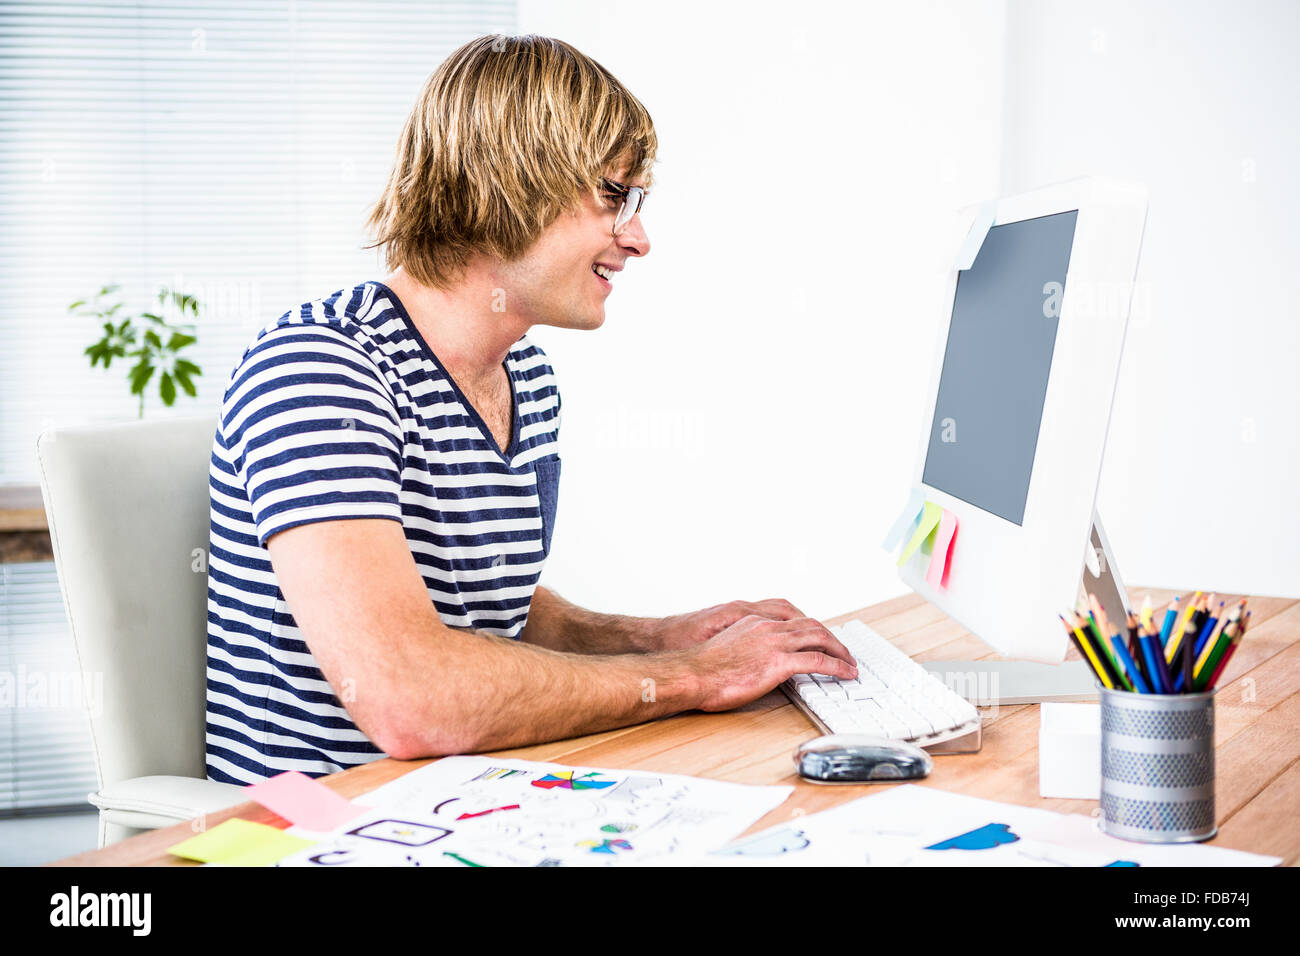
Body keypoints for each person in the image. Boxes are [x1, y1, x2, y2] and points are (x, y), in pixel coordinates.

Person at [204, 34, 856, 785]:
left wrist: (658, 640)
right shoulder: (323, 370)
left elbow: (488, 605)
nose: (637, 238)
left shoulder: (528, 378)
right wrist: (694, 677)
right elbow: (413, 701)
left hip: (463, 800)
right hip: (316, 826)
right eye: (614, 195)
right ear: (504, 184)